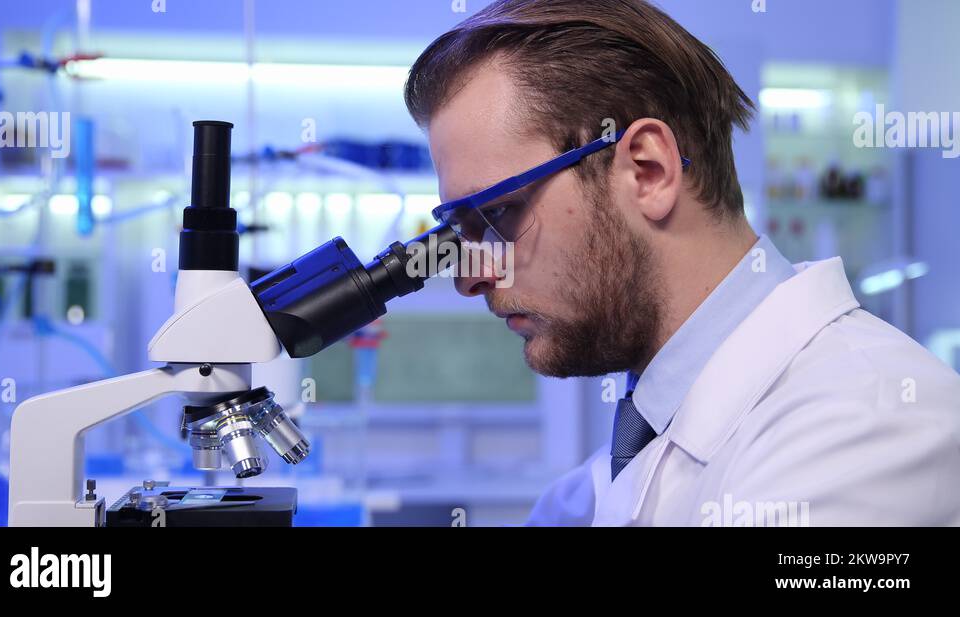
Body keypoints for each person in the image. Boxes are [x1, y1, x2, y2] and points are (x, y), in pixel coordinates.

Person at [403, 0, 960, 526]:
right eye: (461, 231)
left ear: (648, 171)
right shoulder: (629, 453)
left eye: (497, 212)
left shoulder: (868, 425)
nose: (471, 277)